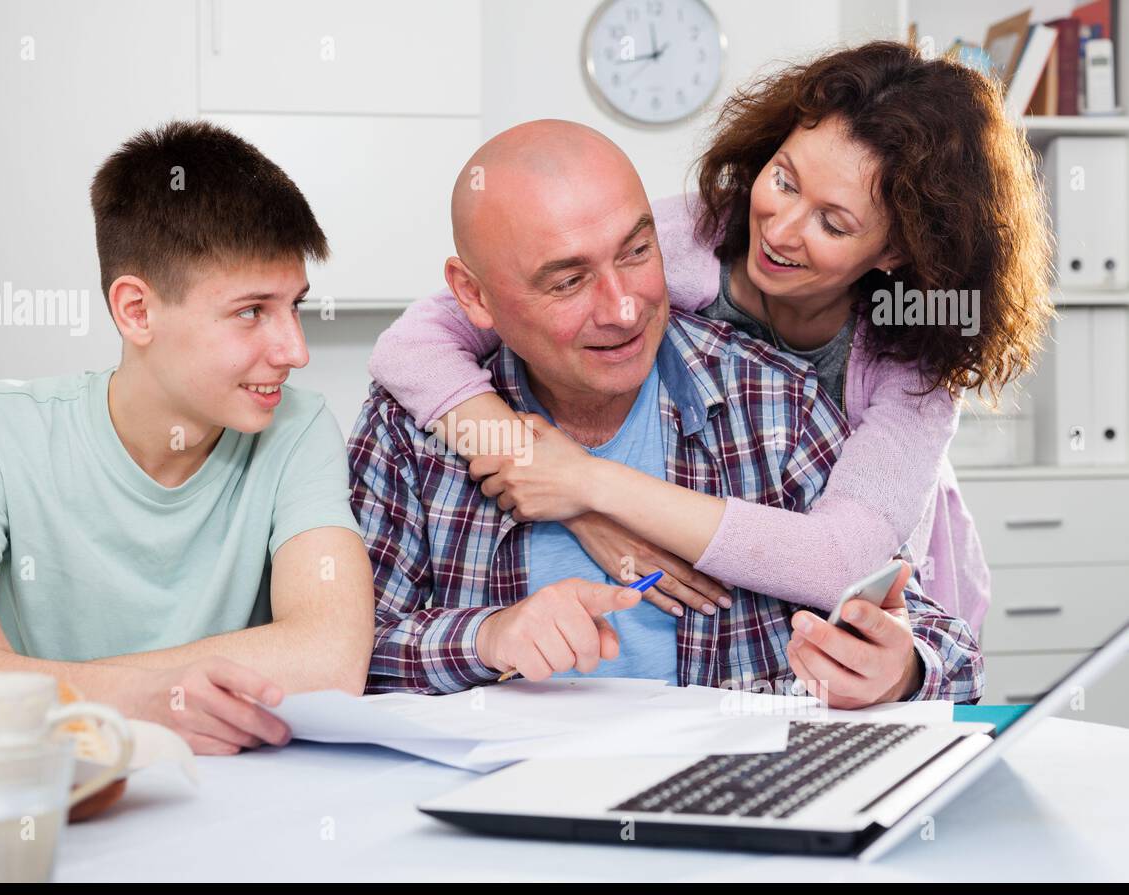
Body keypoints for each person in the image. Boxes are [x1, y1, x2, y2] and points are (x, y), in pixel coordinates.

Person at [367, 42, 1053, 637]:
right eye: (782, 180)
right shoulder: (681, 238)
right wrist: (530, 461)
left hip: (887, 598)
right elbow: (415, 341)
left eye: (833, 224)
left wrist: (590, 485)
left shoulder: (915, 359)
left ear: (898, 250)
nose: (781, 229)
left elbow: (842, 560)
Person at [348, 118, 982, 707]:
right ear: (473, 296)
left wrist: (900, 671)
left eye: (635, 252)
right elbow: (343, 657)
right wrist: (488, 637)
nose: (623, 310)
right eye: (568, 281)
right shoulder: (411, 430)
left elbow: (939, 640)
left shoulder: (783, 408)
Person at [0, 120, 375, 754]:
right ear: (137, 311)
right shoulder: (0, 430)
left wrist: (16, 678)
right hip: (56, 812)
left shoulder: (296, 430)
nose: (294, 350)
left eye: (294, 305)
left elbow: (332, 656)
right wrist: (140, 700)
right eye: (251, 312)